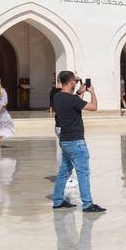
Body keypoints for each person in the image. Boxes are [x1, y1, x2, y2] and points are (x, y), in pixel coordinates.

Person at [50, 70, 104, 212]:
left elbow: (72, 102)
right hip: (76, 141)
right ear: (72, 82)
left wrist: (80, 91)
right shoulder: (72, 99)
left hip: (65, 141)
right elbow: (94, 107)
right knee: (83, 172)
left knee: (63, 172)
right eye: (74, 80)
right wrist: (91, 92)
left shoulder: (57, 97)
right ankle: (87, 204)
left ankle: (57, 201)